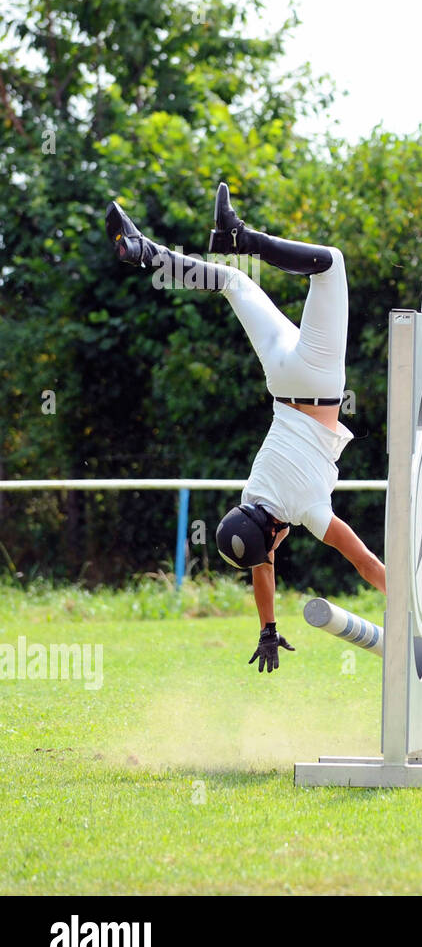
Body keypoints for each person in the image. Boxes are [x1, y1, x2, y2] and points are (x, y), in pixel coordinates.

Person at [105, 185, 385, 673]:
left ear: (275, 538)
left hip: (318, 380)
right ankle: (146, 251)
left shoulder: (308, 513)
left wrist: (406, 595)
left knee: (332, 264)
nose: (271, 557)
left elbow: (361, 561)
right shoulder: (253, 494)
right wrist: (266, 627)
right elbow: (258, 562)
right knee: (232, 280)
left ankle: (242, 235)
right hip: (280, 376)